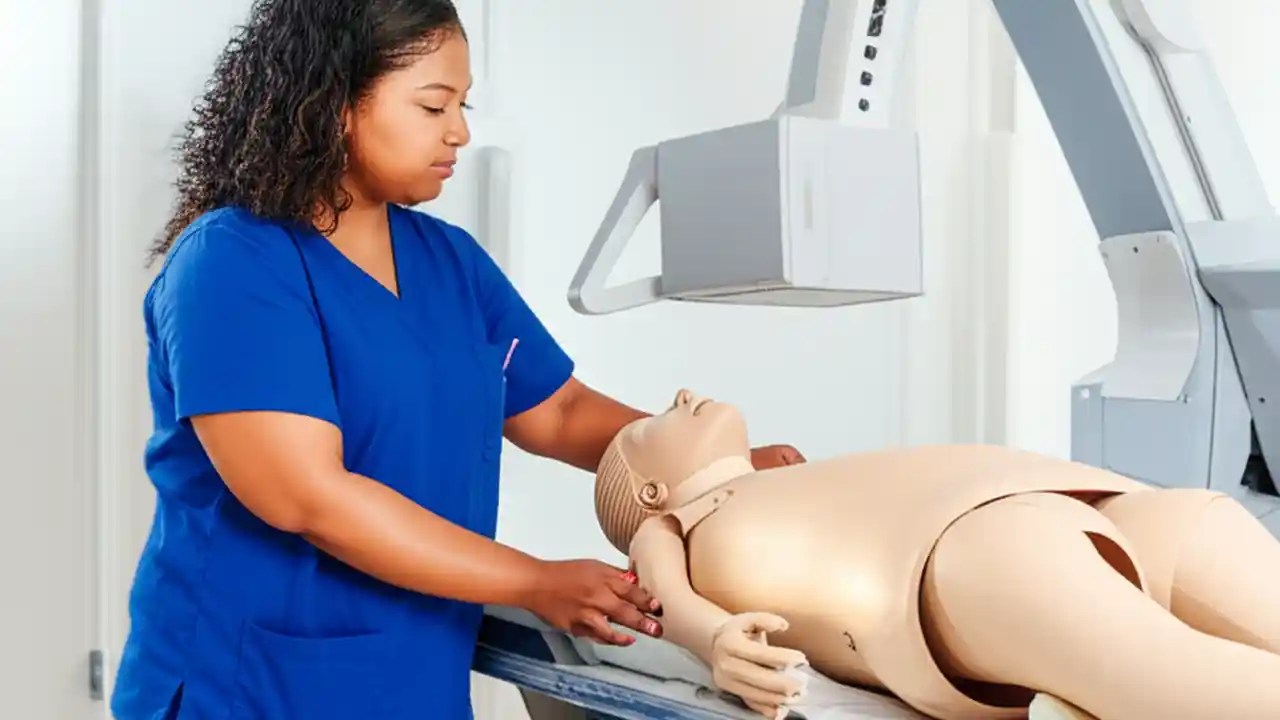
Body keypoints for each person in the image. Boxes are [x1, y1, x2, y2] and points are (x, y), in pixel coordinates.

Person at [109, 3, 806, 719]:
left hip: (414, 676)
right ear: (335, 103)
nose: (460, 132)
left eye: (461, 106)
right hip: (249, 683)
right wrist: (535, 581)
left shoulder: (450, 262)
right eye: (433, 105)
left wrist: (713, 467)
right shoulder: (233, 263)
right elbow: (307, 495)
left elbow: (559, 412)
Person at [594, 388, 1280, 720]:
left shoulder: (787, 482)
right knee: (1179, 680)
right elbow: (668, 600)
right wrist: (716, 640)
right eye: (654, 423)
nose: (682, 396)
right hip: (965, 564)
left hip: (1110, 504)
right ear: (650, 492)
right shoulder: (673, 525)